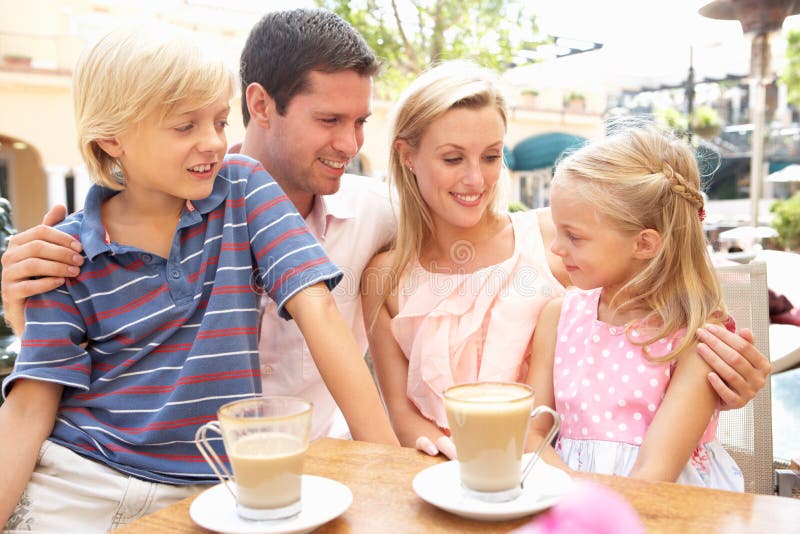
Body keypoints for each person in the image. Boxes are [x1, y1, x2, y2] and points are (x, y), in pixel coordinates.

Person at [1, 10, 769, 442]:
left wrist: (718, 361)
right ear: (261, 105)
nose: (349, 143)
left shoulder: (375, 212)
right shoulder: (170, 208)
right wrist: (22, 306)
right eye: (329, 119)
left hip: (369, 467)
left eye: (361, 120)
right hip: (201, 465)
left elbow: (618, 272)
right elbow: (98, 349)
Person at [0, 24, 394, 531]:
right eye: (185, 126)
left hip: (212, 490)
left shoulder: (244, 190)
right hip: (80, 479)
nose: (213, 142)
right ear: (112, 138)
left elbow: (318, 311)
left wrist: (390, 469)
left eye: (219, 121)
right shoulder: (63, 252)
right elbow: (29, 408)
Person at [361, 60, 768, 461]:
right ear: (407, 155)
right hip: (444, 475)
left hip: (557, 476)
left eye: (491, 156)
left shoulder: (561, 239)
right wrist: (463, 468)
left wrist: (731, 375)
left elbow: (676, 316)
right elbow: (403, 414)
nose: (476, 179)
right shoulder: (386, 278)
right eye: (453, 159)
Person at [525, 125, 743, 489]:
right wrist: (572, 494)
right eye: (557, 231)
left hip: (665, 507)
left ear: (644, 244)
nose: (557, 248)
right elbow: (531, 433)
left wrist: (583, 504)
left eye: (574, 236)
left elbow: (654, 475)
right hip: (567, 497)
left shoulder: (696, 335)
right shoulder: (558, 317)